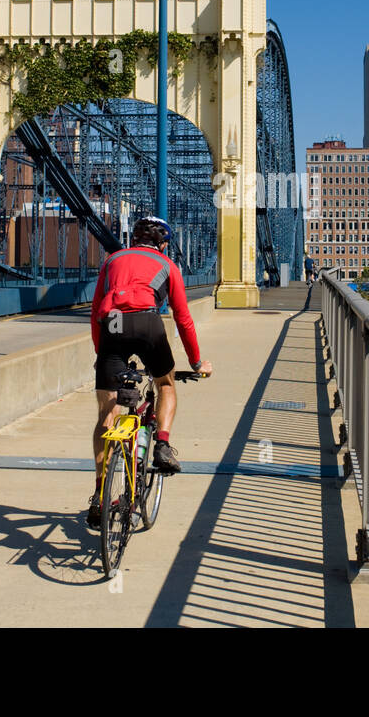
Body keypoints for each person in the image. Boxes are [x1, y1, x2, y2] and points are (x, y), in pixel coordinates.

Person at [86, 215, 212, 529]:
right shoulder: (168, 266)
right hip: (147, 322)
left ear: (134, 239)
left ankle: (100, 495)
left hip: (112, 325)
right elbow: (183, 318)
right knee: (166, 384)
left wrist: (100, 351)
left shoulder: (113, 259)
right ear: (162, 243)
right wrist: (197, 362)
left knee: (107, 412)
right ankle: (163, 444)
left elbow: (96, 309)